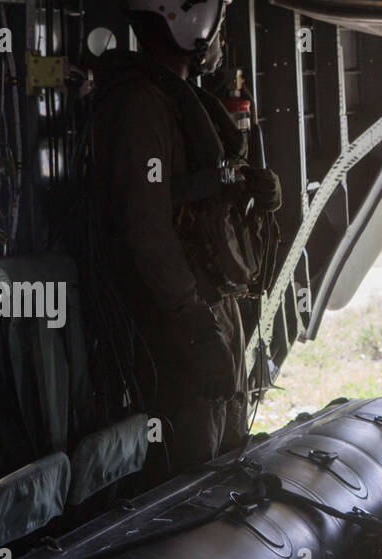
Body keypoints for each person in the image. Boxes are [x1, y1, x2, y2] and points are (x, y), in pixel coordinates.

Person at [90, 0, 280, 483]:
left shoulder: (176, 97)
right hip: (176, 319)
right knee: (193, 464)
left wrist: (253, 192)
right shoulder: (139, 105)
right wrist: (196, 328)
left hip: (209, 306)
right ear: (187, 18)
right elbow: (147, 232)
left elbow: (196, 200)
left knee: (229, 444)